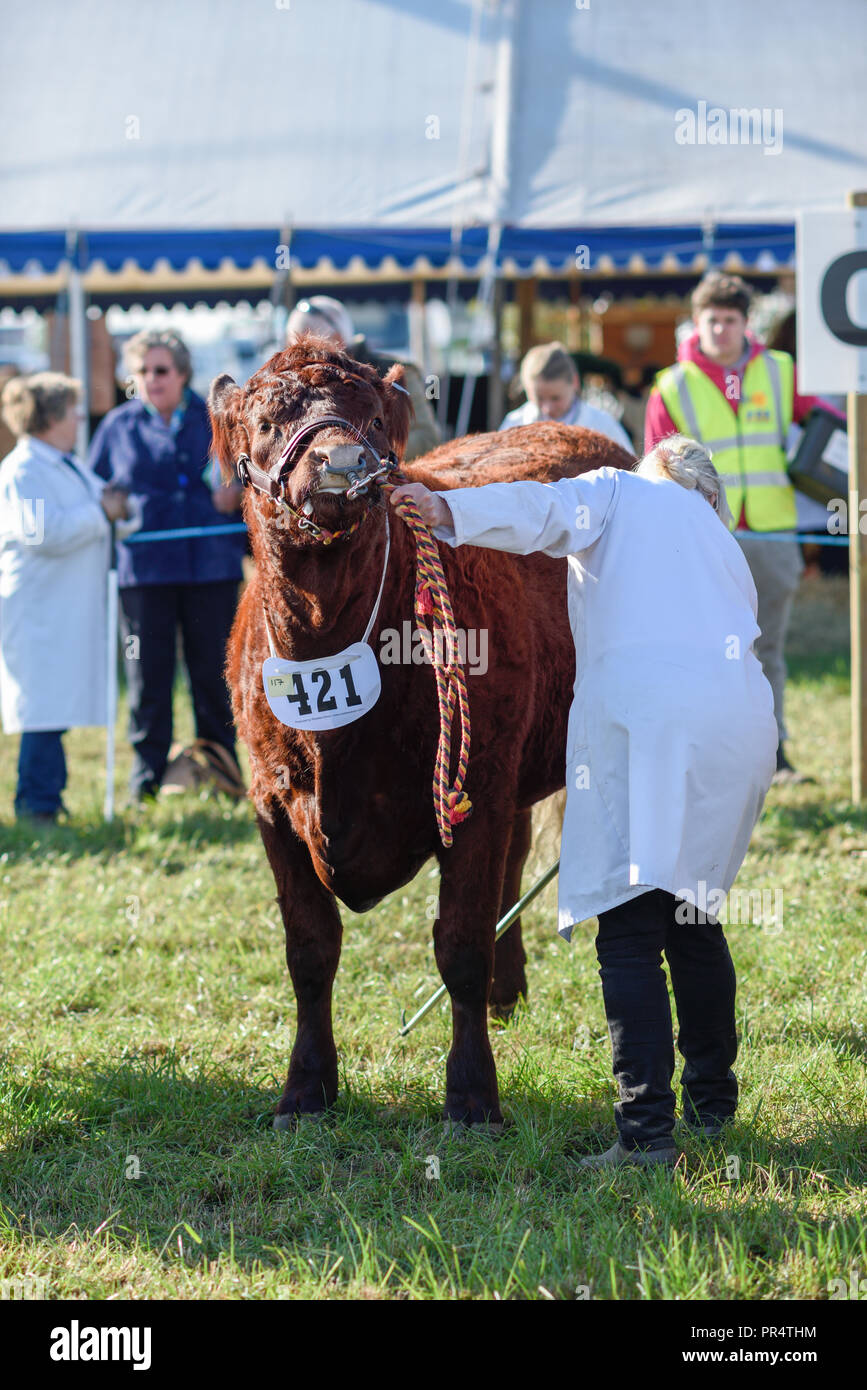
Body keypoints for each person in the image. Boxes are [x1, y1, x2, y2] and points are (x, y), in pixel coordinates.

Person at [389, 435, 777, 1168]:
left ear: (655, 465)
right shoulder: (718, 538)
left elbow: (540, 510)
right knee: (693, 917)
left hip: (646, 721)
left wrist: (442, 508)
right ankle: (712, 1109)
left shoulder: (622, 490)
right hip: (740, 727)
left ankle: (644, 1137)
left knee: (629, 930)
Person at [645, 272, 836, 783]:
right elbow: (654, 472)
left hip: (773, 532)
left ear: (746, 322)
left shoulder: (780, 369)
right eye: (712, 320)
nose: (722, 330)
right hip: (705, 539)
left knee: (766, 648)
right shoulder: (671, 385)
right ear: (697, 321)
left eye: (731, 320)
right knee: (705, 648)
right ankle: (712, 755)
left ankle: (773, 755)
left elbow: (825, 424)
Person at [88, 330, 245, 804]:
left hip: (211, 568)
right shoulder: (116, 426)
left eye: (161, 370)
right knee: (147, 678)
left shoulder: (218, 419)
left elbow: (253, 475)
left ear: (182, 374)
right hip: (145, 572)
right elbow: (94, 489)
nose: (151, 380)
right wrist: (109, 504)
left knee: (213, 675)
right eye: (142, 372)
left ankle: (222, 774)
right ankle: (146, 781)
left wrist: (236, 491)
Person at [0, 372, 141, 820]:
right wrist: (103, 510)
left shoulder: (64, 462)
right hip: (40, 609)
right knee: (43, 708)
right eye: (71, 410)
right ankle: (35, 805)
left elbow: (114, 510)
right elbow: (43, 534)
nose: (80, 417)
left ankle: (47, 799)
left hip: (65, 607)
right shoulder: (25, 470)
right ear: (49, 418)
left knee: (53, 707)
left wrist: (120, 507)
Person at [285, 295, 442, 461]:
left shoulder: (395, 375)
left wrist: (363, 454)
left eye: (309, 348)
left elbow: (427, 438)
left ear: (338, 338)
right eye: (295, 348)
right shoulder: (299, 387)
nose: (302, 359)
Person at [499, 342, 634, 452]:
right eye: (539, 398)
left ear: (575, 382)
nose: (547, 408)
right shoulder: (515, 424)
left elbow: (629, 475)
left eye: (556, 398)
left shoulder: (602, 425)